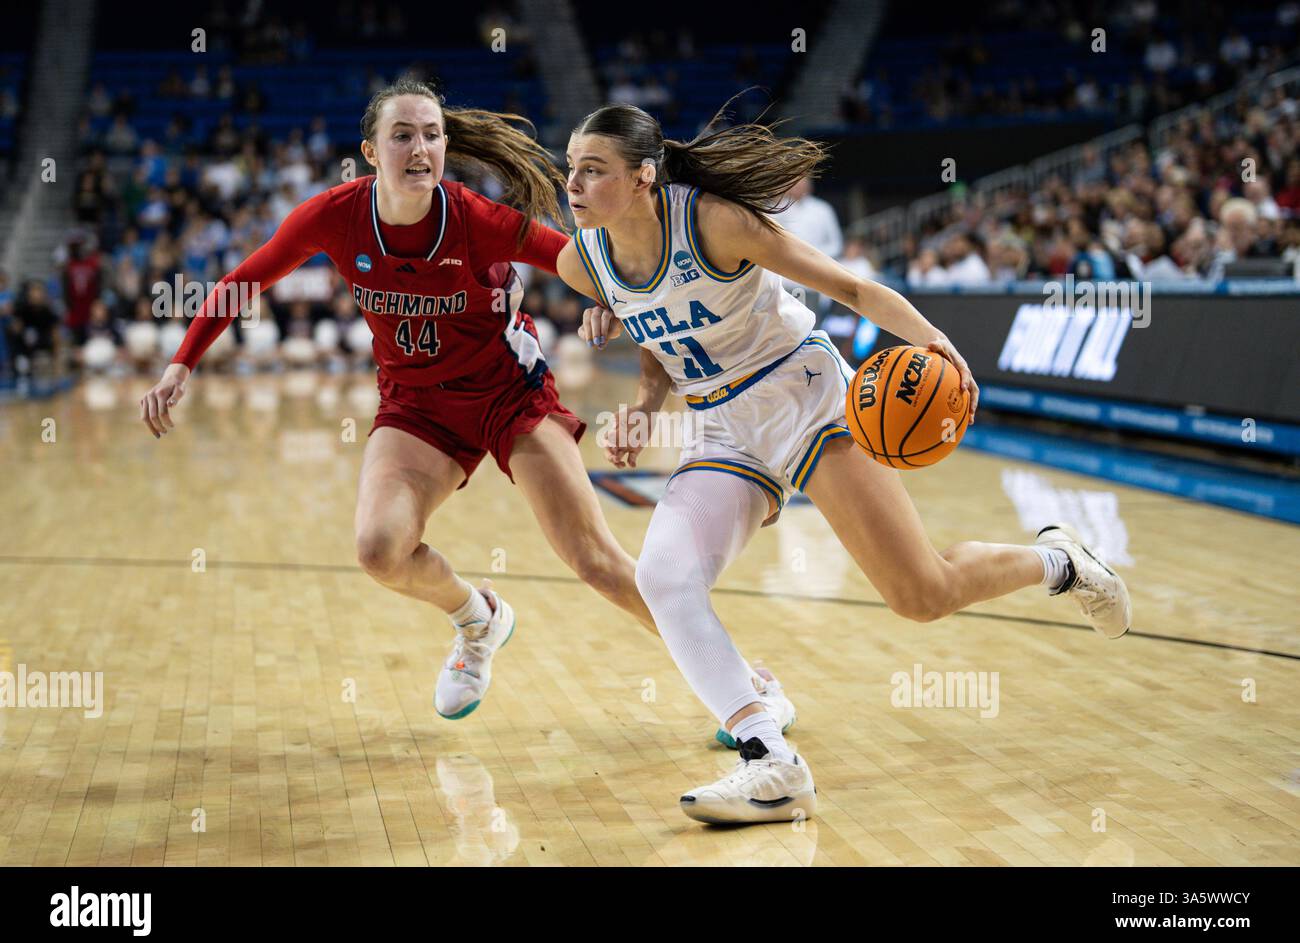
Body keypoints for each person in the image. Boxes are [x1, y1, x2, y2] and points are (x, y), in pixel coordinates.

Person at [138, 79, 804, 731]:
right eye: (402, 135)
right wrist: (180, 364)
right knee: (379, 551)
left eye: (432, 134)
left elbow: (582, 261)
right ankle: (476, 618)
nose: (420, 147)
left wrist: (611, 304)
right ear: (371, 152)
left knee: (597, 562)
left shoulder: (476, 220)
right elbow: (243, 278)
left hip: (511, 397)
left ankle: (744, 684)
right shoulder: (334, 217)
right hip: (416, 407)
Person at [557, 102, 1131, 825]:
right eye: (569, 167)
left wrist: (934, 341)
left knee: (921, 594)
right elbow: (654, 327)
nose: (572, 184)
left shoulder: (714, 222)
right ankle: (769, 758)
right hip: (722, 428)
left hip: (804, 396)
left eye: (591, 170)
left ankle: (1062, 562)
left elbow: (851, 290)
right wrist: (645, 403)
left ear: (643, 178)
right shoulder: (584, 258)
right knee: (663, 576)